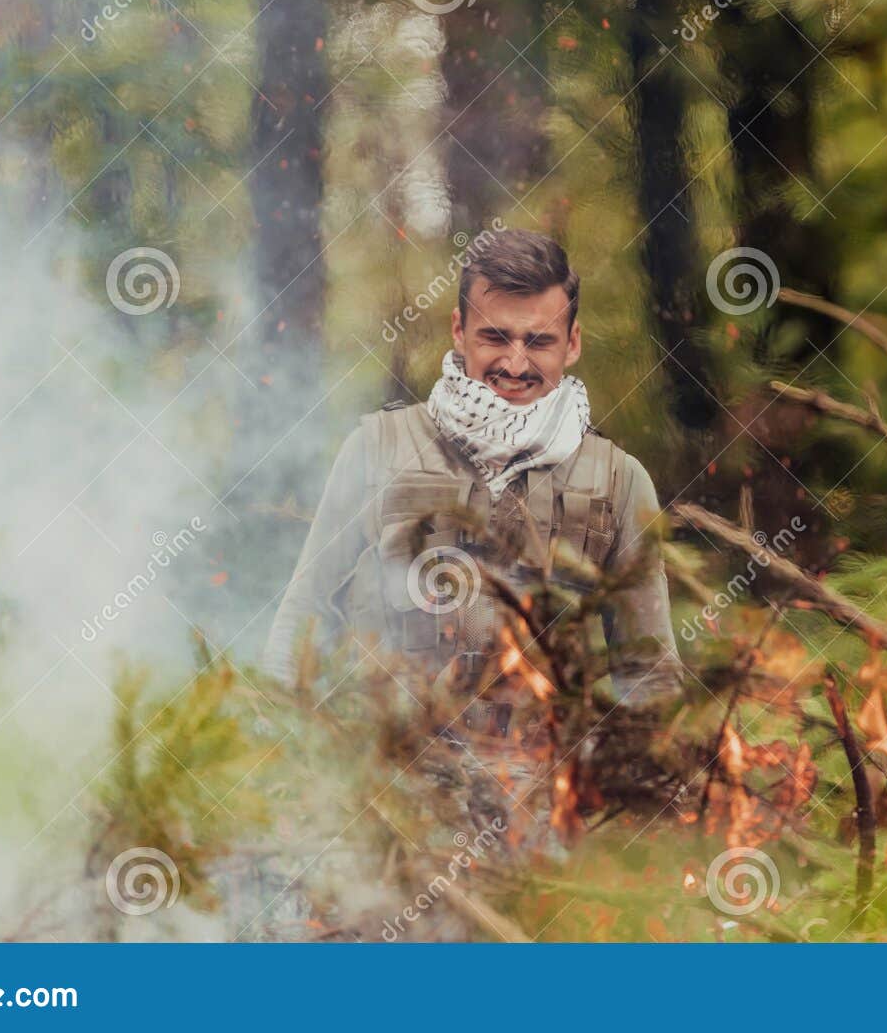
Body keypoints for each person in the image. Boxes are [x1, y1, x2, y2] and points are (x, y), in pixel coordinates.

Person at [262, 229, 683, 736]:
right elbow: (304, 619)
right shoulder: (375, 452)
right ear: (459, 331)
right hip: (392, 790)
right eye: (496, 336)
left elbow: (648, 670)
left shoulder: (619, 479)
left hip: (550, 795)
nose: (515, 363)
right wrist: (277, 756)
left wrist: (658, 787)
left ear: (571, 343)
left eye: (540, 341)